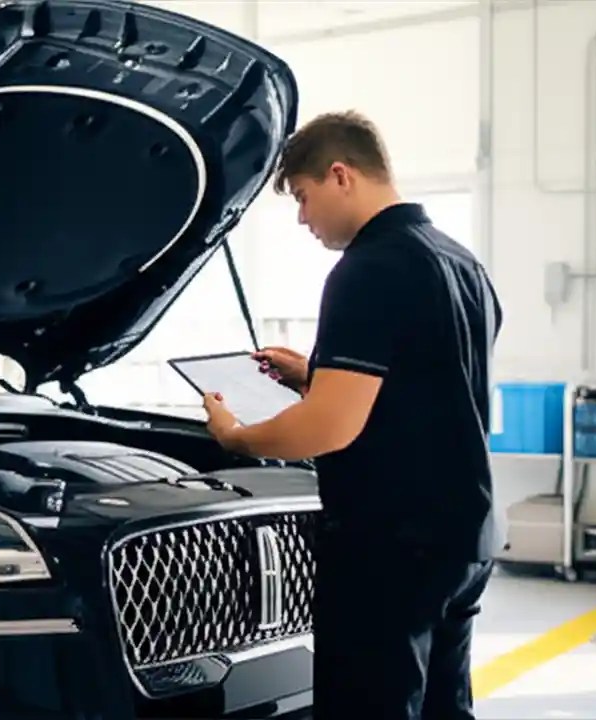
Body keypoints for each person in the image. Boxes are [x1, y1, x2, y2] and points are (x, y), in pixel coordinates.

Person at [201, 110, 503, 720]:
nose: (303, 218)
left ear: (340, 175)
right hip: (463, 538)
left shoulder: (368, 269)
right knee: (446, 708)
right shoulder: (462, 264)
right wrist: (316, 373)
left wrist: (236, 436)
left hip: (391, 547)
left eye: (305, 198)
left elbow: (327, 428)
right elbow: (431, 386)